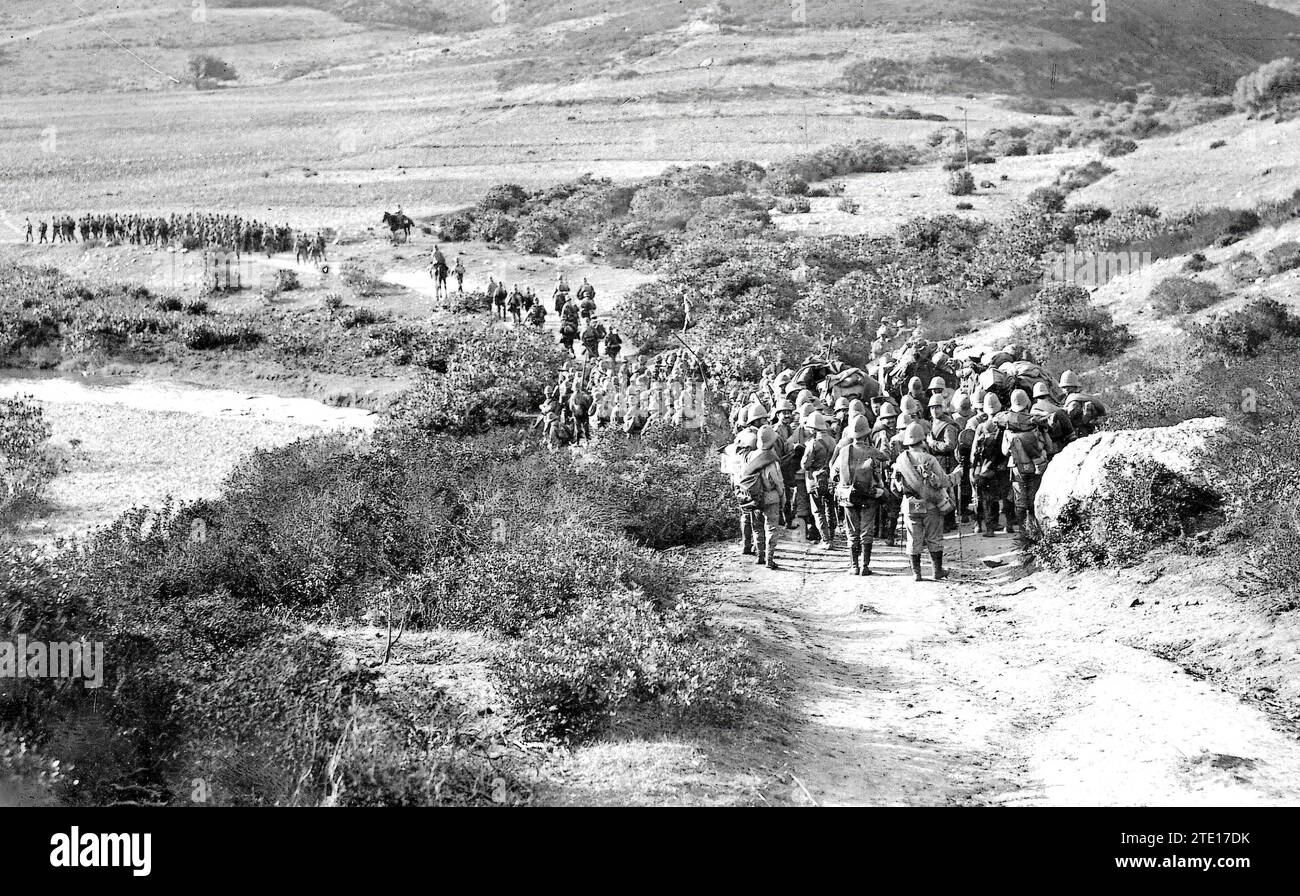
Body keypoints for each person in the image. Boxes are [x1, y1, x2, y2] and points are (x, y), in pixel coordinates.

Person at [892, 423, 953, 582]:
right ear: (923, 440)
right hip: (931, 504)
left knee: (913, 538)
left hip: (909, 504)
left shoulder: (900, 460)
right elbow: (943, 481)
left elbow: (895, 487)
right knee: (934, 537)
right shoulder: (930, 459)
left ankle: (916, 573)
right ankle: (937, 571)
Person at [832, 415, 888, 575]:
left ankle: (854, 565)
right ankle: (865, 566)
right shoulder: (872, 452)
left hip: (848, 497)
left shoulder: (843, 452)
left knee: (852, 531)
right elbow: (881, 468)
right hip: (869, 496)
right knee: (866, 530)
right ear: (866, 434)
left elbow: (834, 474)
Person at [737, 425, 785, 570]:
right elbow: (778, 482)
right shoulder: (772, 459)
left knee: (757, 527)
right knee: (771, 528)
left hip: (754, 497)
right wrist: (782, 497)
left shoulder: (750, 456)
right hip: (771, 497)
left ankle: (760, 555)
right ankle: (770, 559)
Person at [1001, 389, 1050, 531]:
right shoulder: (1035, 423)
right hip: (1036, 466)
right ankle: (1035, 530)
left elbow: (1004, 451)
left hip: (1016, 467)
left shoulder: (1008, 426)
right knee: (1033, 498)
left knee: (1020, 500)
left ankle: (1023, 532)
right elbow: (1049, 446)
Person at [970, 394, 1016, 536]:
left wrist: (974, 468)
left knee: (986, 498)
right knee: (1007, 496)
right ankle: (1008, 525)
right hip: (1002, 466)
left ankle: (987, 528)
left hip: (986, 467)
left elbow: (974, 452)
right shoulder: (1005, 425)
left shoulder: (981, 427)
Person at [800, 411, 837, 550]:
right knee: (830, 508)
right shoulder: (833, 441)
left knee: (818, 511)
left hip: (815, 481)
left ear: (813, 429)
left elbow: (804, 464)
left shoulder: (813, 443)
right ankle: (831, 536)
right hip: (830, 479)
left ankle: (826, 540)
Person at [927, 393, 961, 531]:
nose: (935, 411)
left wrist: (932, 443)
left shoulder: (948, 425)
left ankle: (948, 522)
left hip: (946, 461)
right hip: (937, 461)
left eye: (938, 407)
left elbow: (949, 445)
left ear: (943, 408)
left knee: (946, 492)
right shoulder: (934, 422)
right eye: (932, 408)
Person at [872, 402, 902, 546]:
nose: (891, 420)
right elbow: (881, 456)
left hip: (888, 470)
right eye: (887, 418)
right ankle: (885, 532)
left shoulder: (890, 431)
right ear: (881, 419)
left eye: (892, 417)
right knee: (887, 503)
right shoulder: (881, 434)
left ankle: (884, 530)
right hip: (884, 472)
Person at [1030, 381, 1074, 458]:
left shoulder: (1033, 410)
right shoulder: (1057, 410)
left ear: (1035, 397)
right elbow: (1069, 431)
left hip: (1043, 449)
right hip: (1061, 446)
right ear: (1048, 395)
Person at [1060, 370, 1108, 438]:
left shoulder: (1073, 401)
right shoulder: (1084, 397)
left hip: (1080, 431)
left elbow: (1070, 414)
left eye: (1065, 387)